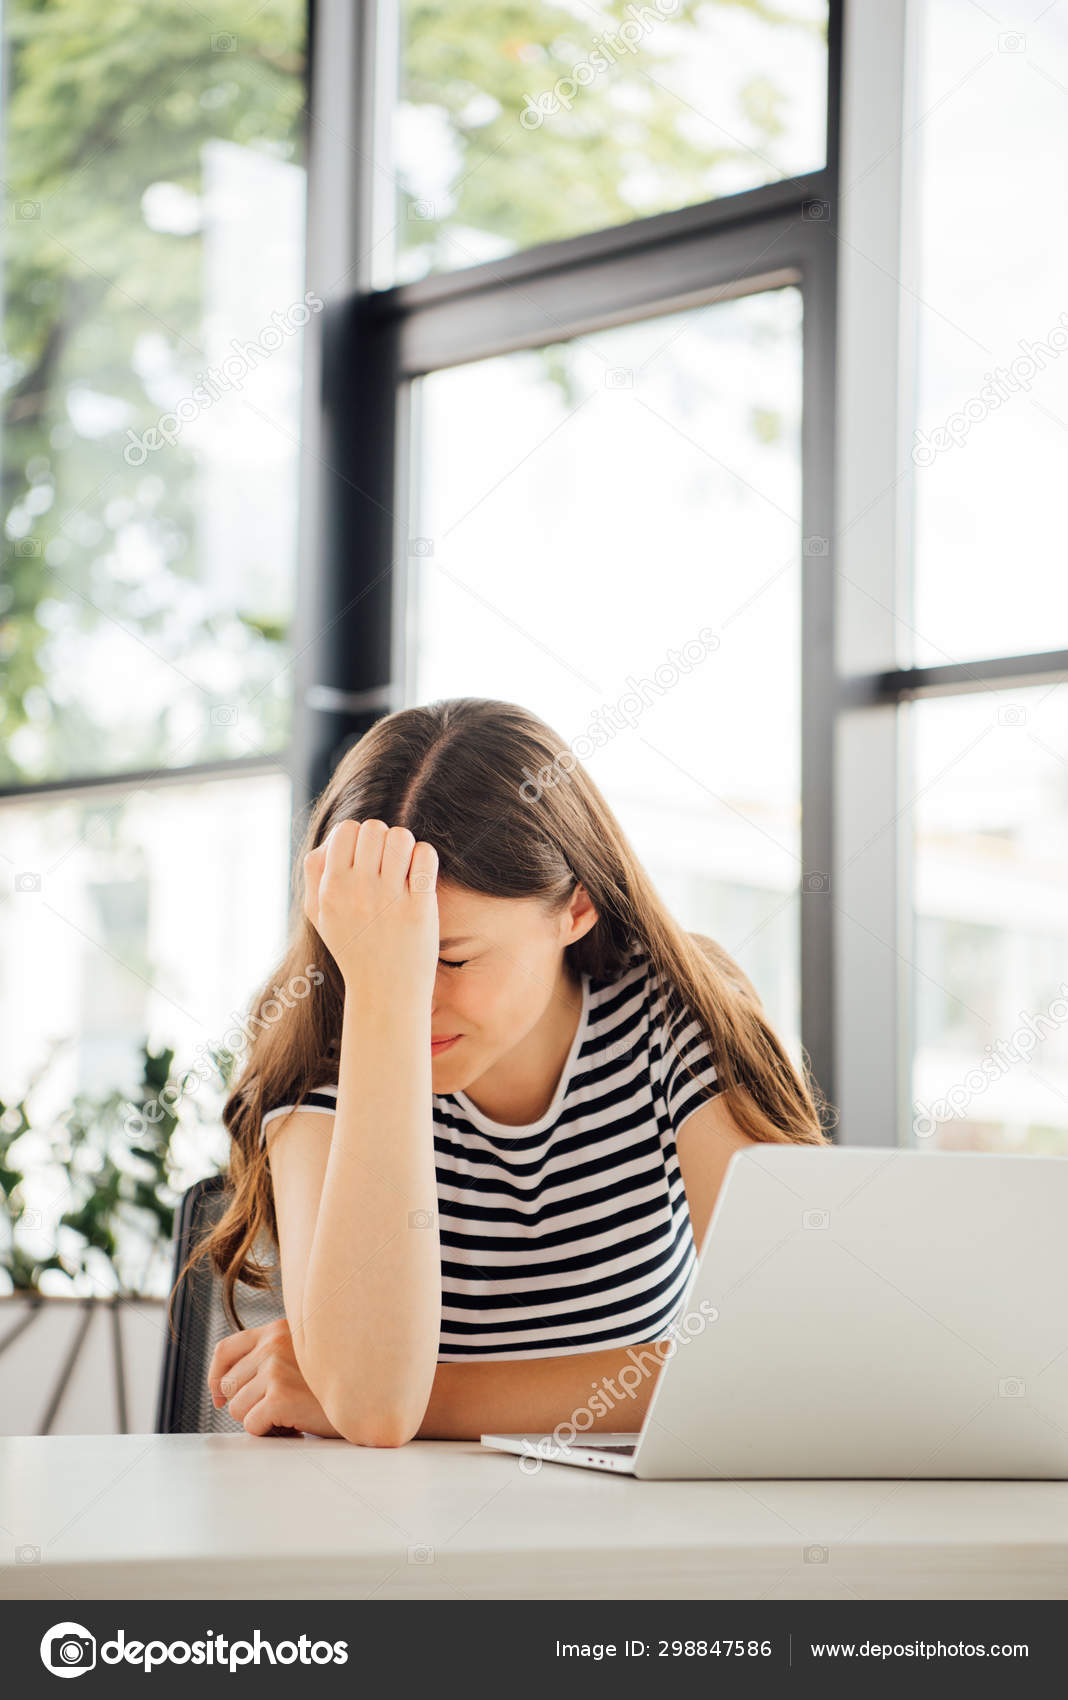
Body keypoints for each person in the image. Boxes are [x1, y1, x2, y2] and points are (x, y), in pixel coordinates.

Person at [183, 697, 834, 1445]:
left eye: (451, 958)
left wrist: (417, 1398)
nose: (413, 999)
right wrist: (378, 1003)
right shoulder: (322, 1047)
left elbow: (791, 1350)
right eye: (374, 956)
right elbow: (373, 1406)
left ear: (576, 908)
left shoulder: (673, 1012)